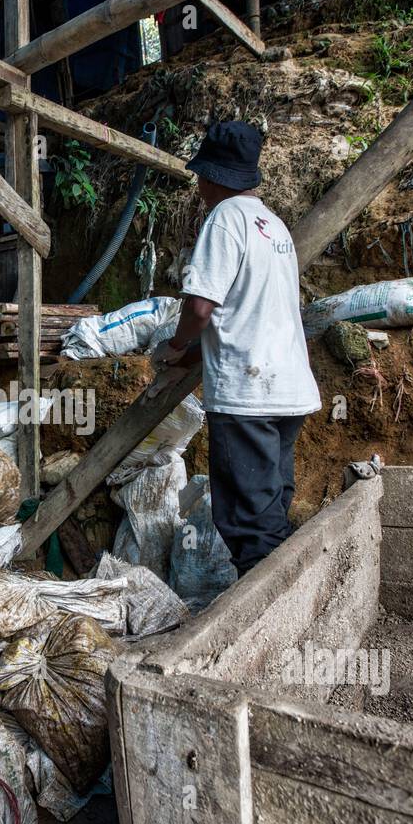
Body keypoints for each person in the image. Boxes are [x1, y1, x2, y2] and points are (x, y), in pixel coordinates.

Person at [151, 122, 321, 577]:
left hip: (249, 396)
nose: (199, 186)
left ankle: (267, 625)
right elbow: (247, 313)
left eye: (201, 177)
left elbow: (202, 307)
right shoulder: (273, 225)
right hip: (288, 389)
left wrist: (178, 343)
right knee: (271, 507)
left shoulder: (224, 219)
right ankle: (289, 604)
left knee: (250, 526)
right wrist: (192, 357)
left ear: (210, 177)